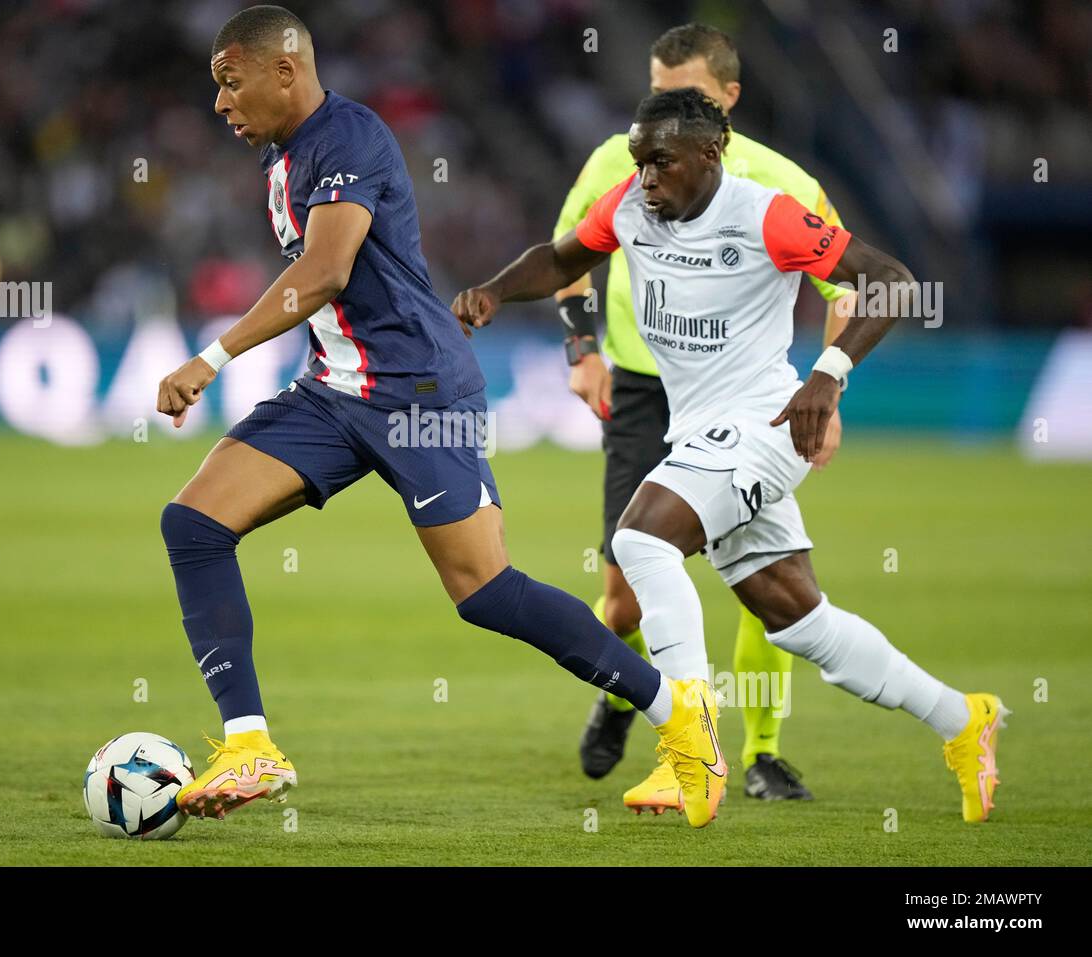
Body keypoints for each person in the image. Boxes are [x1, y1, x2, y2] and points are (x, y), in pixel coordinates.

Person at [154, 5, 697, 822]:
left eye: (231, 84)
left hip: (419, 391)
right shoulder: (283, 156)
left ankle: (682, 721)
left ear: (286, 70)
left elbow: (328, 270)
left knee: (484, 589)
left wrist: (212, 356)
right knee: (192, 523)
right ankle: (249, 746)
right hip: (334, 391)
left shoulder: (351, 138)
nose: (222, 104)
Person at [452, 89, 1006, 827]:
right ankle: (963, 719)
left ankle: (692, 748)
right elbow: (559, 259)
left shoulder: (765, 214)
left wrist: (829, 374)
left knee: (641, 537)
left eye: (663, 164)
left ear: (712, 153)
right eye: (640, 163)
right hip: (702, 433)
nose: (648, 179)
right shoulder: (629, 207)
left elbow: (892, 280)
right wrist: (494, 290)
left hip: (767, 422)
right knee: (801, 621)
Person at [555, 23, 855, 807]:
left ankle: (762, 751)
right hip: (641, 390)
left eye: (681, 92)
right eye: (654, 89)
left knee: (765, 580)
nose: (660, 108)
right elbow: (564, 261)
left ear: (727, 100)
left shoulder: (781, 181)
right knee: (623, 589)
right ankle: (625, 693)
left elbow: (847, 286)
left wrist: (829, 388)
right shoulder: (617, 160)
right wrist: (580, 349)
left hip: (749, 400)